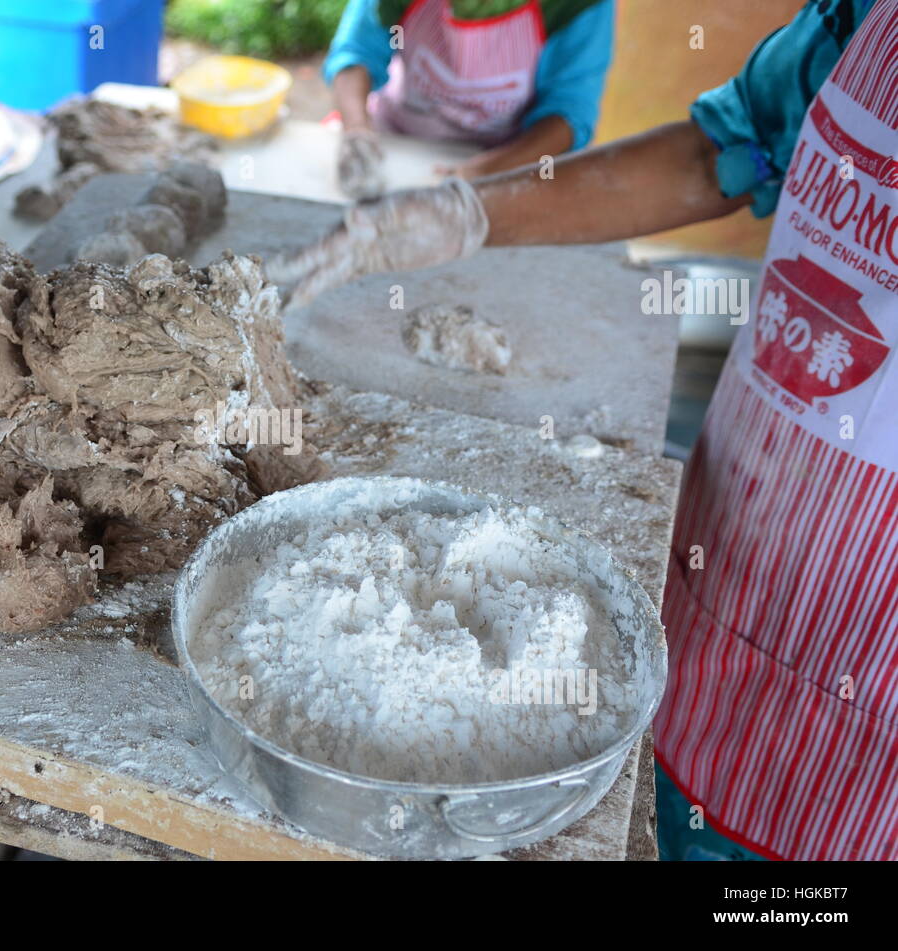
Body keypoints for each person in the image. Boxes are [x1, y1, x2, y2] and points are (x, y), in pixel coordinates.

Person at [273, 0, 897, 860]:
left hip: (872, 667)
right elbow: (721, 147)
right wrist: (470, 214)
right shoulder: (865, 18)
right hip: (733, 544)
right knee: (656, 801)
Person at [323, 0, 615, 198]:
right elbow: (357, 51)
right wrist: (357, 131)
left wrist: (482, 172)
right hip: (392, 142)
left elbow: (570, 113)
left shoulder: (576, 7)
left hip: (505, 166)